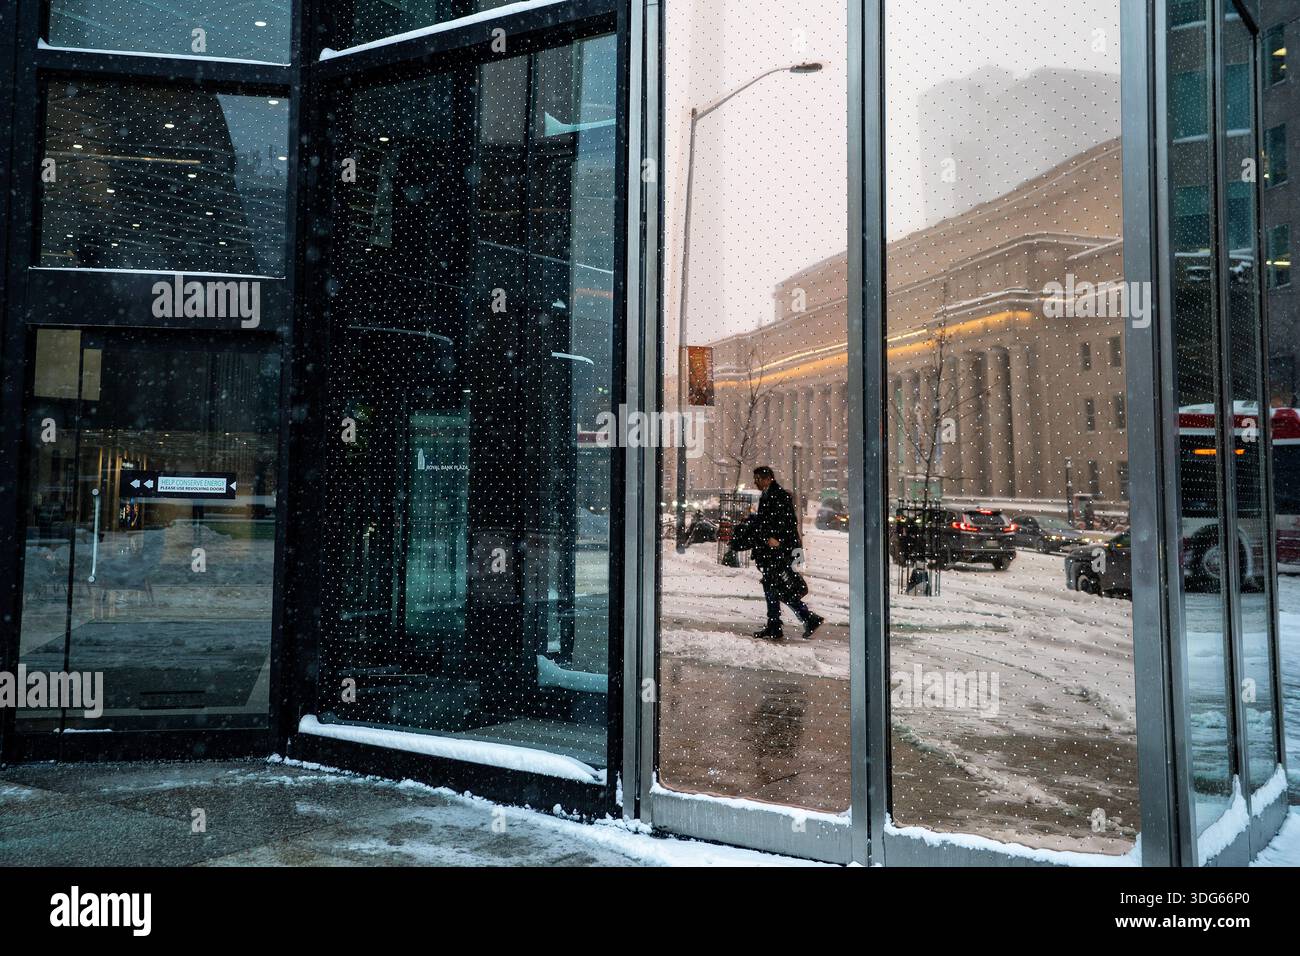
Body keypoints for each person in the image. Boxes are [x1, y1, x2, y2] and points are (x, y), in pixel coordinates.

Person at [746, 466, 823, 640]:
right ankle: (776, 624)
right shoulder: (767, 495)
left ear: (768, 478)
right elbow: (767, 521)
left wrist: (774, 539)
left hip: (780, 550)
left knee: (776, 586)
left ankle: (806, 618)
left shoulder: (778, 495)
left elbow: (786, 522)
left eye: (758, 478)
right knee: (772, 586)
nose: (755, 482)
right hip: (774, 549)